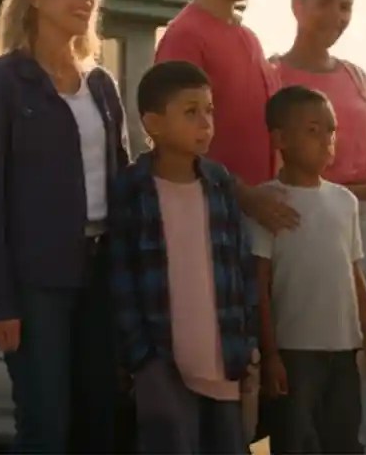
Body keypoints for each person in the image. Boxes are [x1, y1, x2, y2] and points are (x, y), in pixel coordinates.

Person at [0, 0, 130, 453]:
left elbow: (121, 179)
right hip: (37, 283)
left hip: (102, 273)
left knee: (102, 415)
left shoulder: (102, 85)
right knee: (46, 421)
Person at [273, 0, 366, 454]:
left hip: (363, 221)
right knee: (313, 349)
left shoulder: (357, 76)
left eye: (345, 5)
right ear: (297, 6)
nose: (336, 15)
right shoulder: (273, 71)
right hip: (303, 220)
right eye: (324, 2)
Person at [110, 60, 258, 454]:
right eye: (191, 112)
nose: (205, 122)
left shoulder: (220, 183)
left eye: (209, 111)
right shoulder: (132, 188)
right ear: (153, 124)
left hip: (222, 358)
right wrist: (141, 357)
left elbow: (242, 270)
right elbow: (121, 278)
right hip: (162, 362)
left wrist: (248, 342)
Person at [249, 85, 366, 455]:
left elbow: (356, 278)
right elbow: (259, 286)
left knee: (344, 441)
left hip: (344, 352)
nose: (327, 140)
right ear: (280, 138)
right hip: (294, 354)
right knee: (297, 442)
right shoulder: (268, 203)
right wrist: (271, 356)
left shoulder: (344, 202)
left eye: (331, 130)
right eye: (313, 130)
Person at [154, 0, 299, 237]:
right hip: (212, 218)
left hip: (264, 218)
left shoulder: (249, 38)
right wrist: (246, 197)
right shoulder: (185, 37)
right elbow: (174, 140)